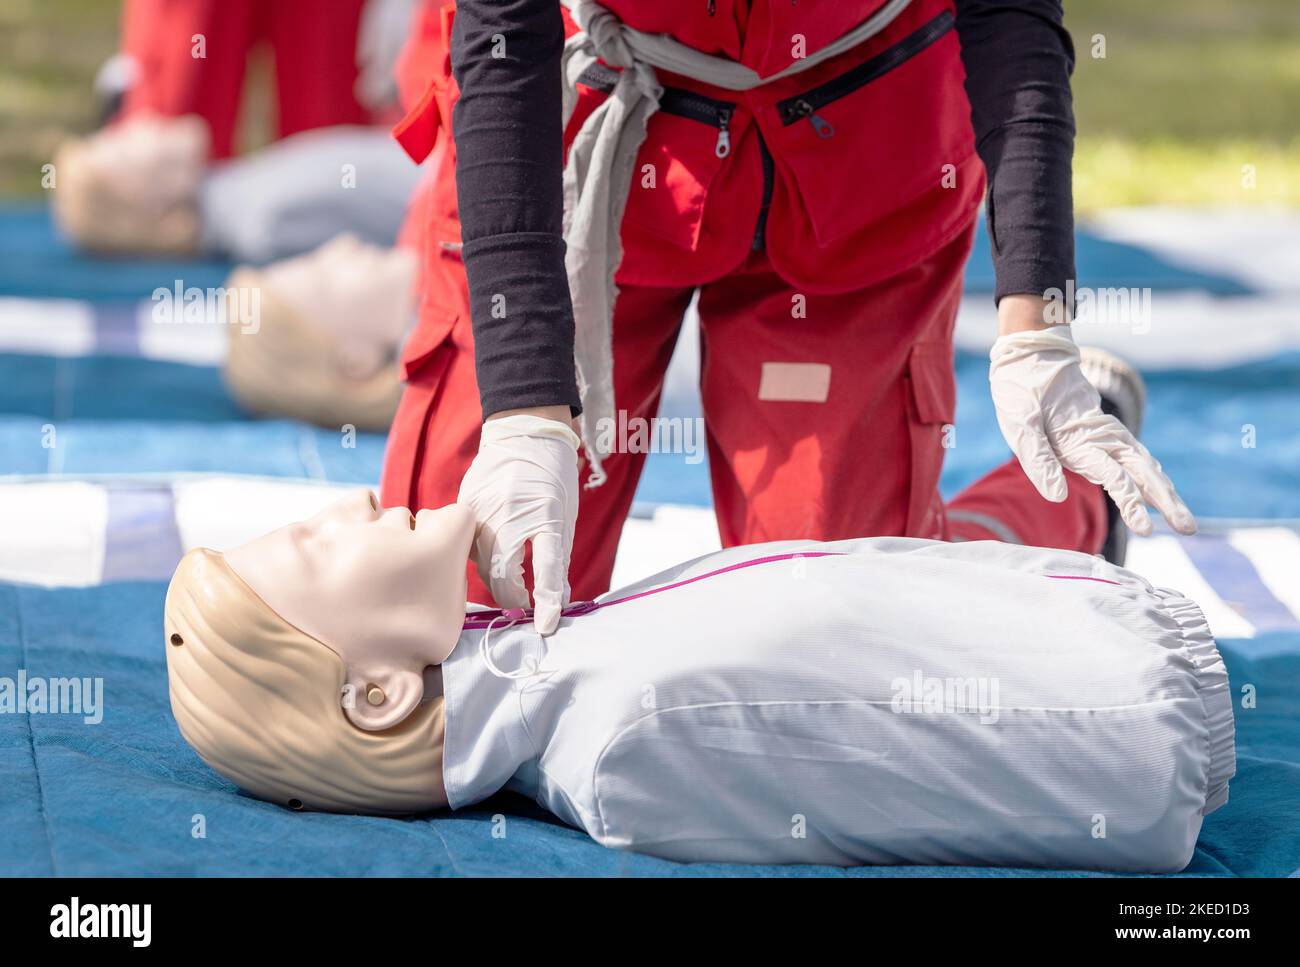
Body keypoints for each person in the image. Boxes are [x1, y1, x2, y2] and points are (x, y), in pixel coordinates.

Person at [379, 0, 1198, 641]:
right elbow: (502, 31)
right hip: (574, 142)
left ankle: (1061, 510)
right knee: (457, 622)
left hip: (856, 153)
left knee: (834, 640)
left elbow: (1008, 15)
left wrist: (1036, 325)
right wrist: (523, 409)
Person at [163, 489, 1234, 871]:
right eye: (311, 543)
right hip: (1135, 692)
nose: (348, 496)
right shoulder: (622, 737)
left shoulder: (565, 664)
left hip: (1100, 633)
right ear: (382, 693)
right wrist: (1150, 720)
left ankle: (1061, 502)